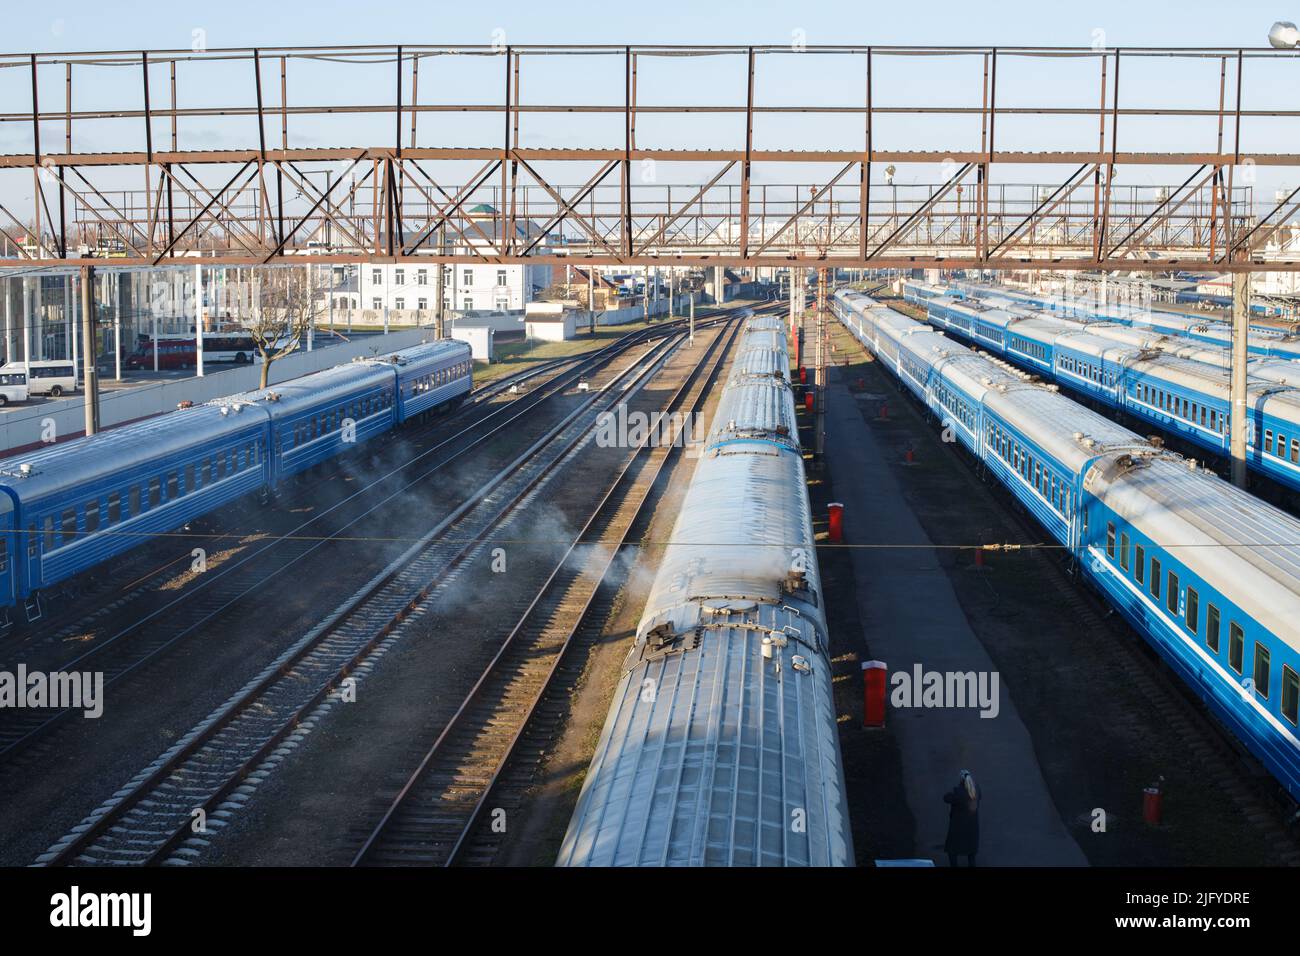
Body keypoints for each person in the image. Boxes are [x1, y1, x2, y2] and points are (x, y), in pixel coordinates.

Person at [943, 770, 980, 867]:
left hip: (958, 828)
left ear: (961, 780)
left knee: (952, 850)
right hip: (972, 829)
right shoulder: (977, 790)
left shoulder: (958, 792)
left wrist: (954, 790)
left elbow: (946, 798)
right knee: (971, 854)